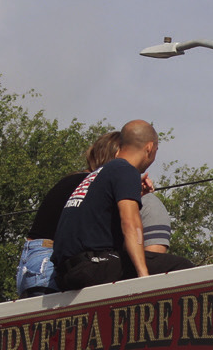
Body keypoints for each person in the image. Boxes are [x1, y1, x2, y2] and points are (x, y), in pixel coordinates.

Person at [52, 120, 193, 290]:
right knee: (182, 267)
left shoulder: (99, 174)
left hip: (65, 273)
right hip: (92, 266)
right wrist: (144, 276)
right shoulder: (126, 170)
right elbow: (131, 223)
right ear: (149, 148)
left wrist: (134, 193)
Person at [17, 131, 125, 297]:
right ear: (117, 155)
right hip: (49, 260)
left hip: (33, 260)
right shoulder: (90, 183)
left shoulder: (74, 180)